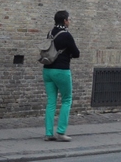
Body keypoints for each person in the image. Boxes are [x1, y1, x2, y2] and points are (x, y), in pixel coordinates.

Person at [42, 10, 80, 142]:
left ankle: (48, 133)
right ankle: (61, 132)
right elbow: (76, 53)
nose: (69, 21)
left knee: (51, 102)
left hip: (47, 70)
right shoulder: (66, 35)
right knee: (67, 99)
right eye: (69, 19)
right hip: (61, 71)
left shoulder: (50, 33)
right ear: (64, 20)